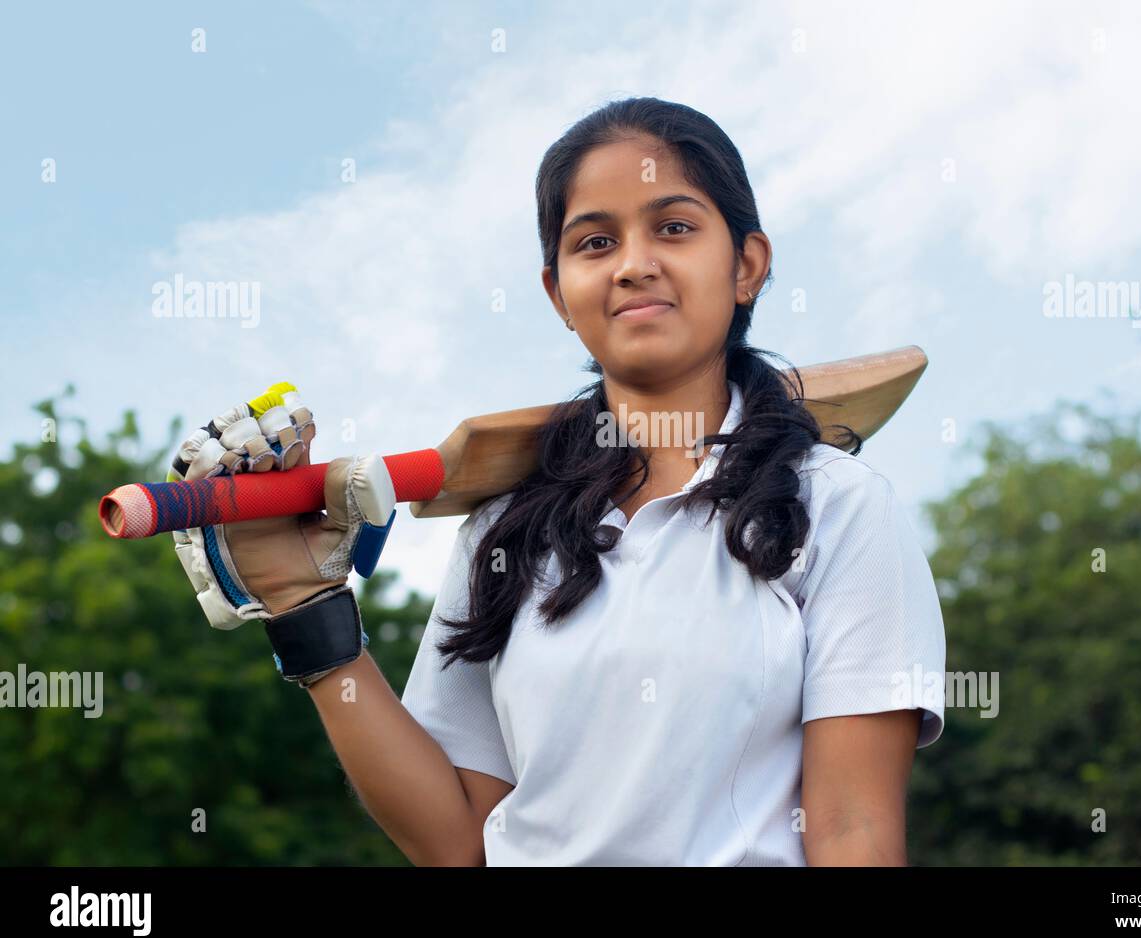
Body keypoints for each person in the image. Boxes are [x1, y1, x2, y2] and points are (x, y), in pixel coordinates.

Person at [168, 96, 947, 866]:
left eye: (673, 227)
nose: (635, 263)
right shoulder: (503, 532)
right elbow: (455, 841)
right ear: (558, 294)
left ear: (746, 265)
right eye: (596, 241)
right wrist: (308, 609)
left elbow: (853, 832)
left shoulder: (837, 507)